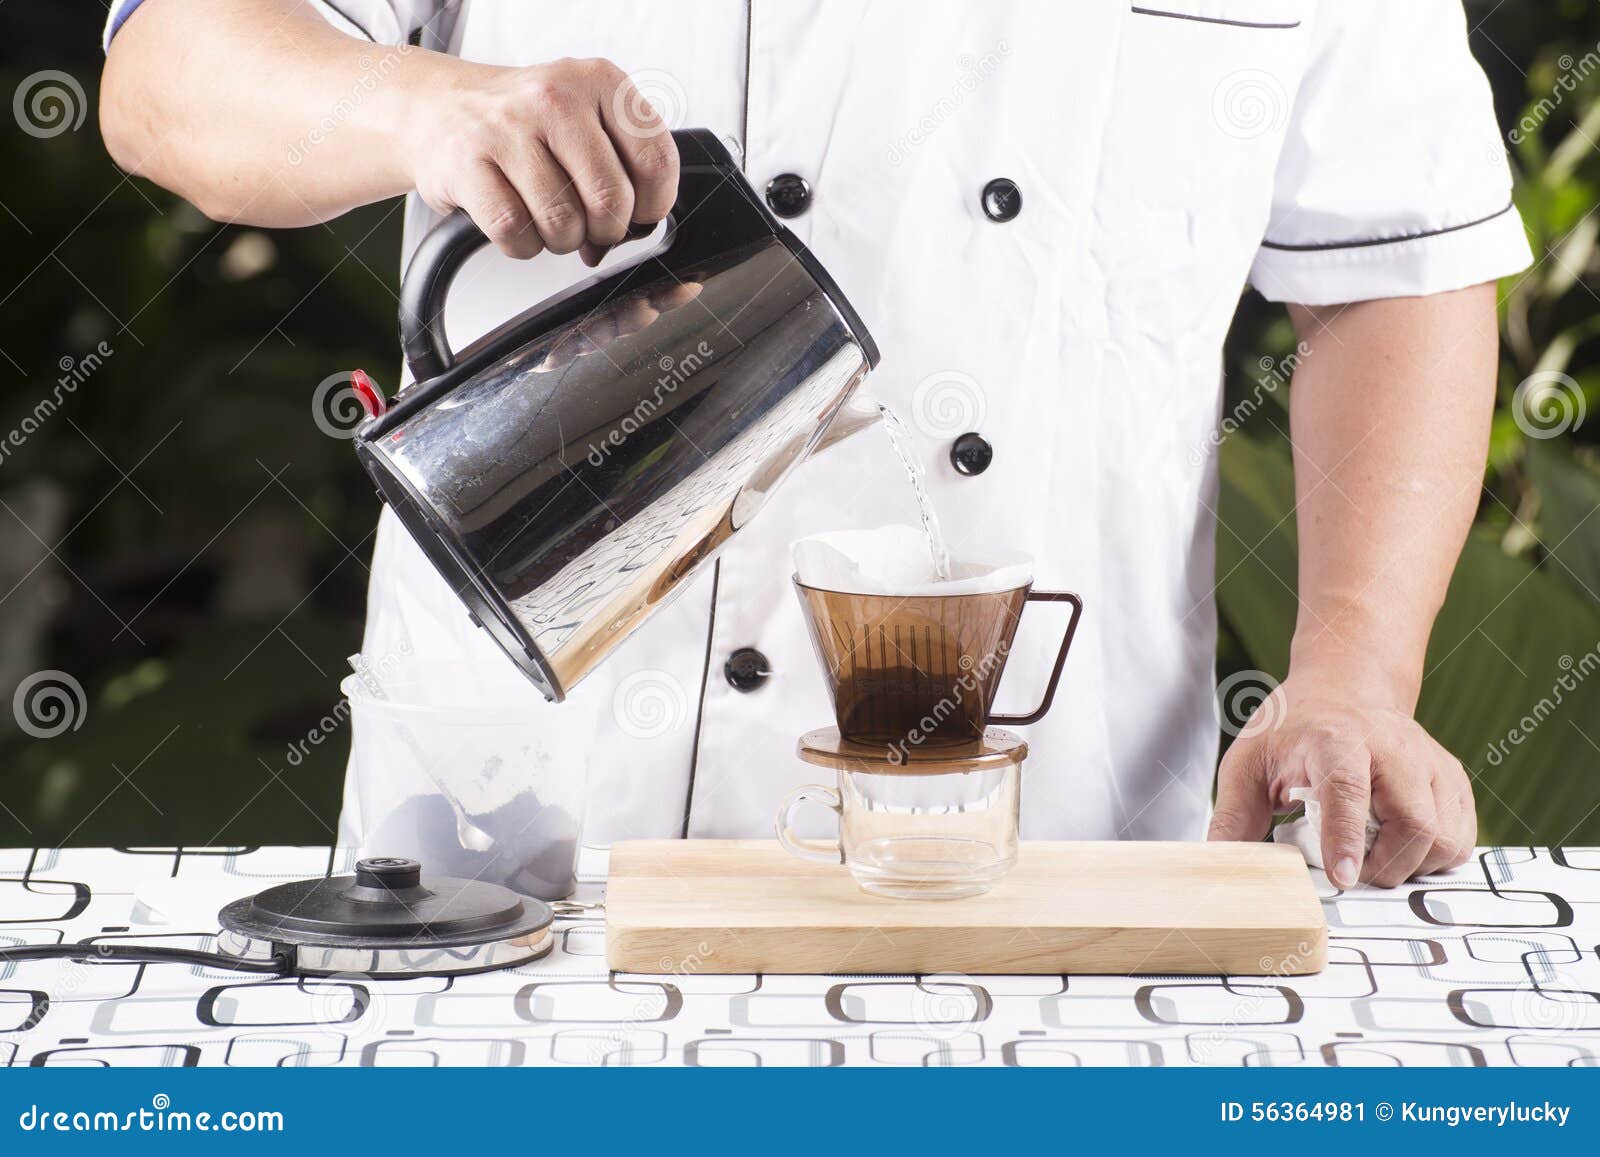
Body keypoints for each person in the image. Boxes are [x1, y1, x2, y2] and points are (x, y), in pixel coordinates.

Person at [100, 0, 1530, 890]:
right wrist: (425, 105)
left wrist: (1351, 665)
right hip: (528, 832)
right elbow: (170, 72)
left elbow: (1397, 270)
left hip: (1054, 861)